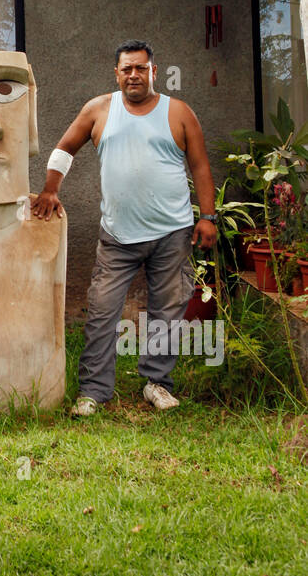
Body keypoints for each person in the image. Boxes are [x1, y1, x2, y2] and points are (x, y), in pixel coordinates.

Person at [31, 40, 217, 415]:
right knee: (102, 311)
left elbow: (200, 166)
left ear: (153, 71)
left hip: (172, 233)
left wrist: (207, 217)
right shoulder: (98, 110)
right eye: (127, 68)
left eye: (141, 68)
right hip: (117, 236)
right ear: (116, 73)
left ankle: (158, 384)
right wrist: (51, 188)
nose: (134, 74)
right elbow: (64, 148)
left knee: (167, 311)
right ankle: (94, 391)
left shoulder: (178, 112)